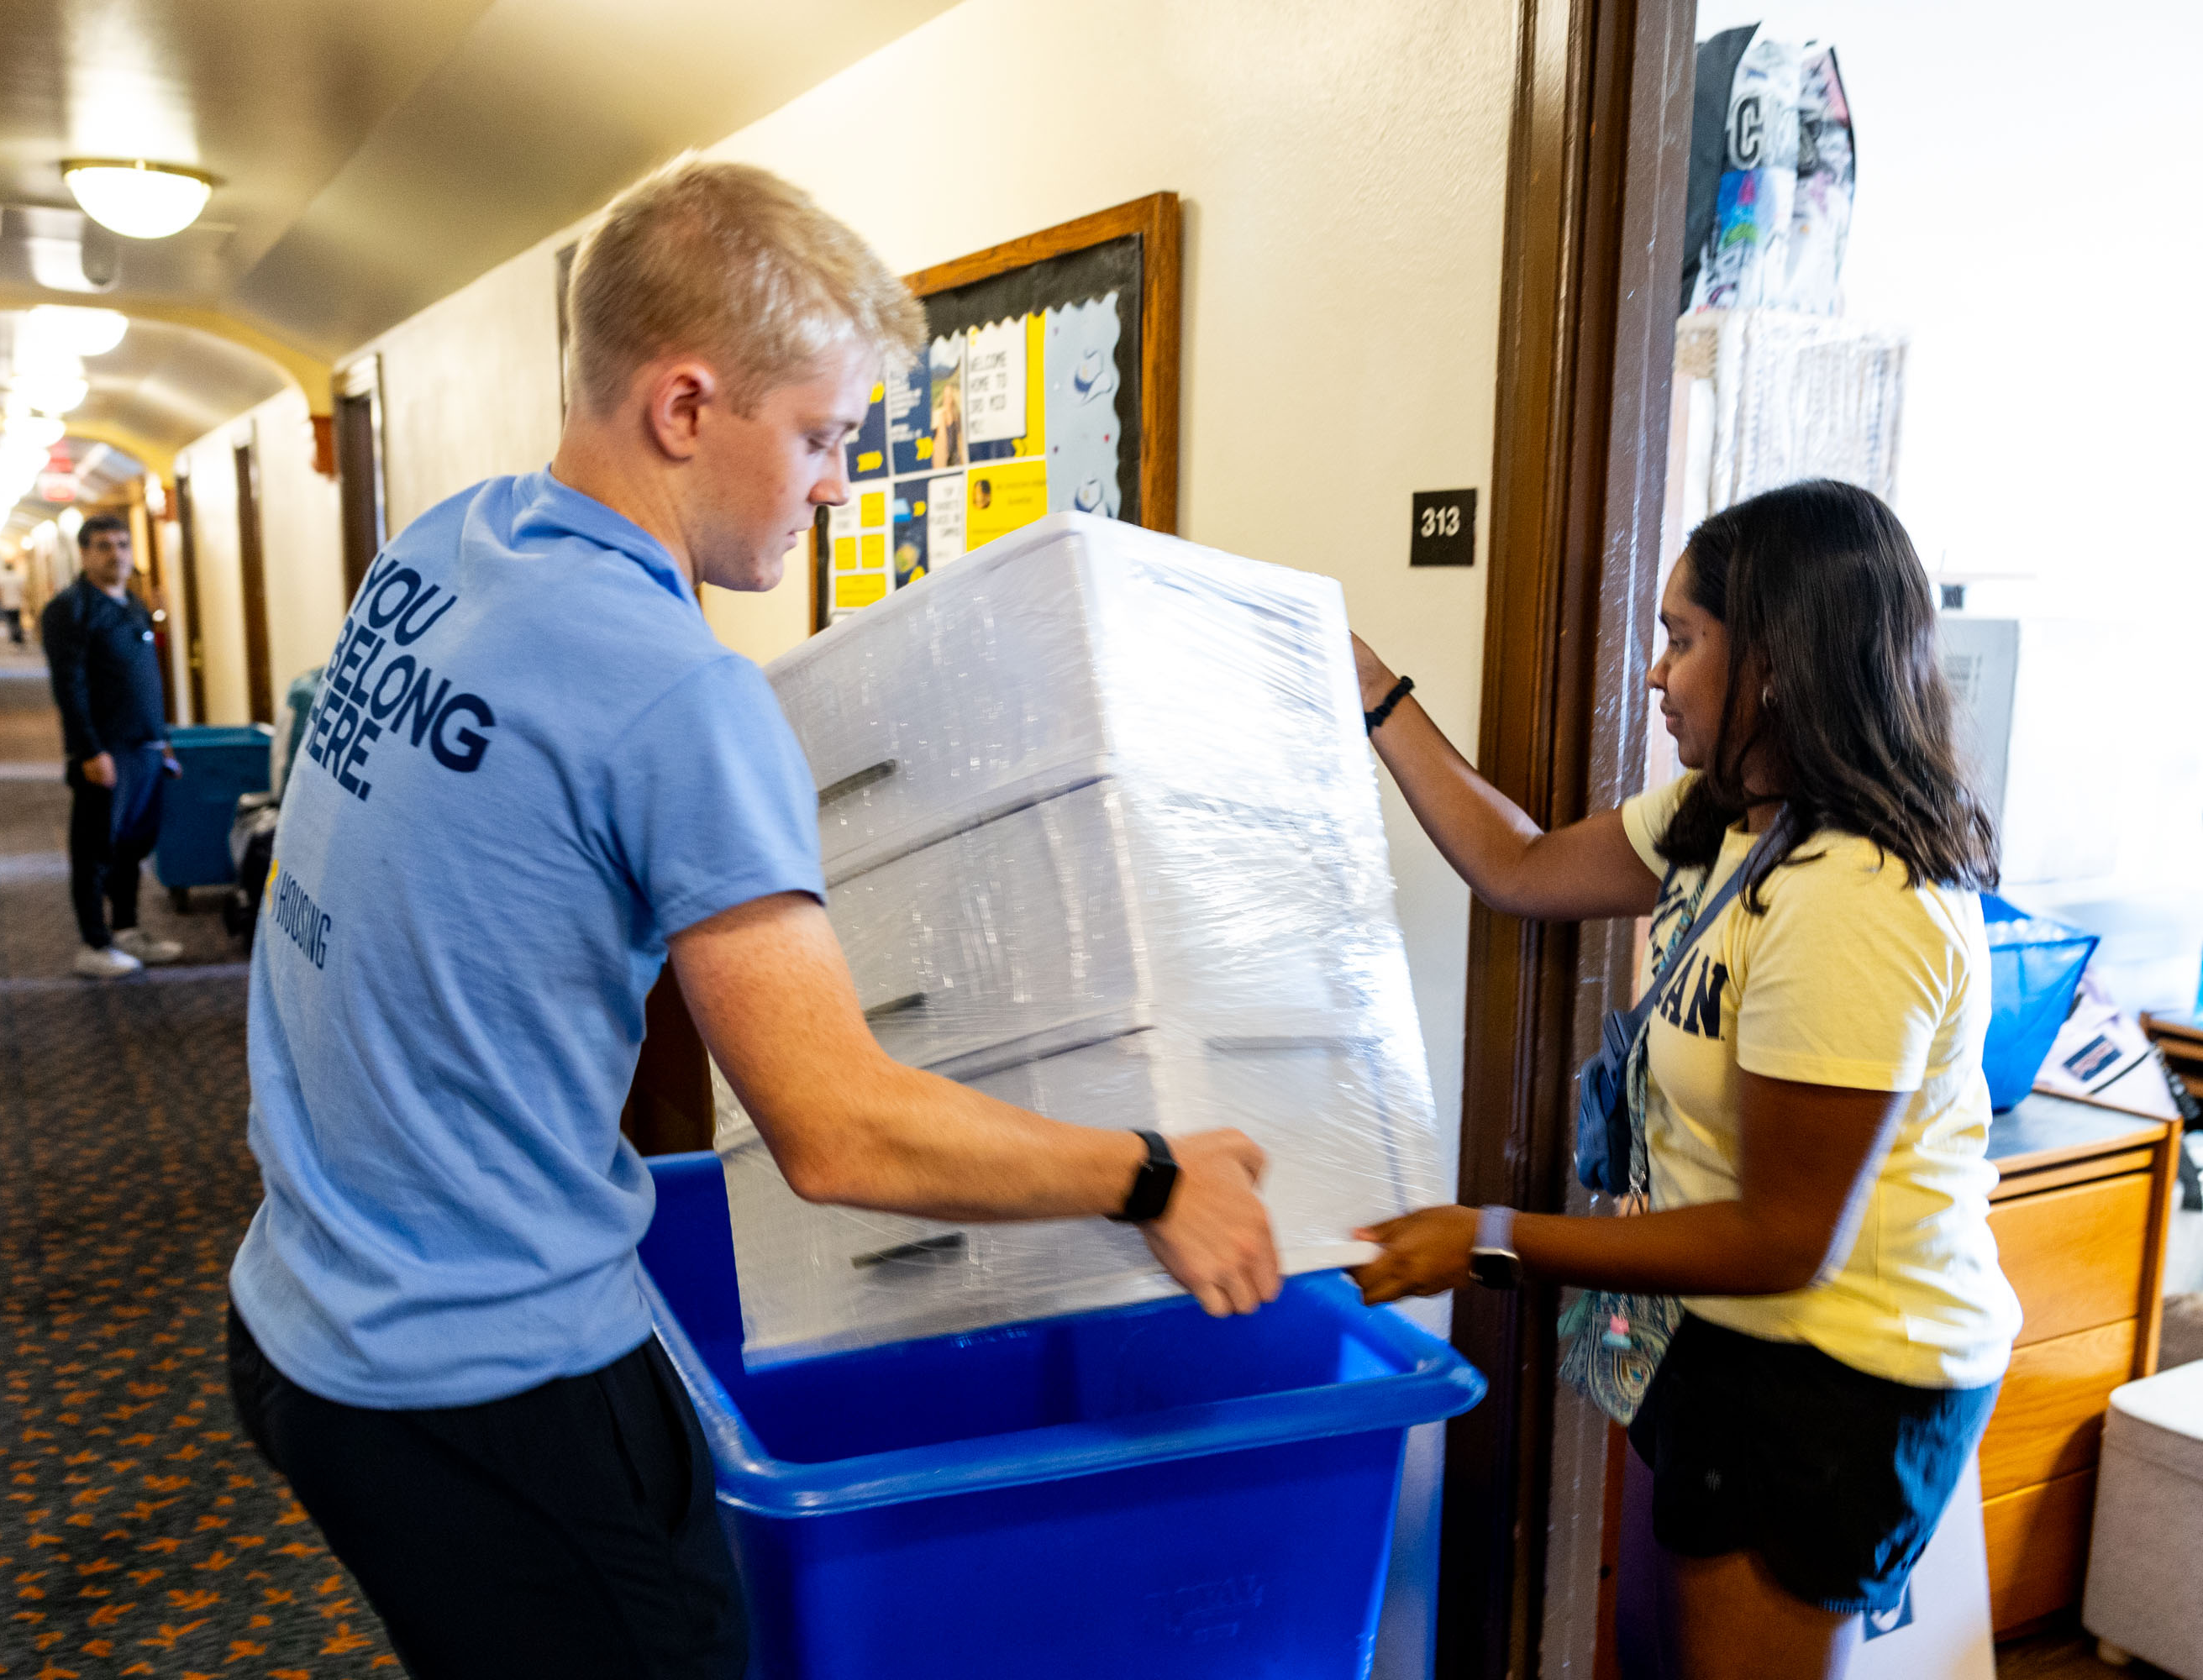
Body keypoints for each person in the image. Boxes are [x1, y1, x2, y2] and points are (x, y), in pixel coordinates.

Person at [224, 157, 1281, 1680]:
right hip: (480, 1381)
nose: (839, 481)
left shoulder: (443, 548)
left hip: (303, 1315)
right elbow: (838, 1133)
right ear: (683, 407)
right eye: (820, 435)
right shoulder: (680, 691)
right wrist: (1153, 1177)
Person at [1348, 479, 2019, 1680]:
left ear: (1777, 654)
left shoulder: (1855, 897)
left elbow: (1781, 1240)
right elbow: (1518, 864)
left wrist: (1496, 1237)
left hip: (1838, 1376)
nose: (1656, 674)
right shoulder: (1732, 820)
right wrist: (1374, 695)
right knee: (1658, 1652)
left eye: (1682, 637)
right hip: (1720, 1335)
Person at [40, 513, 184, 979]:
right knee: (95, 850)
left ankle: (126, 929)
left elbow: (148, 682)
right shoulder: (71, 610)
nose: (116, 554)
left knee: (133, 846)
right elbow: (70, 686)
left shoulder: (134, 606)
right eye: (103, 545)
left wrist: (162, 741)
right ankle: (94, 943)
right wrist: (89, 751)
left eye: (123, 544)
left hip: (145, 747)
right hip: (106, 752)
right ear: (84, 554)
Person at [0, 557, 28, 647]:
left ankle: (13, 638)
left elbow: (0, 591)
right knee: (17, 621)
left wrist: (0, 601)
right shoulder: (18, 577)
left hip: (7, 603)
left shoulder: (2, 578)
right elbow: (23, 591)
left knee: (10, 621)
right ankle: (19, 638)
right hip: (17, 602)